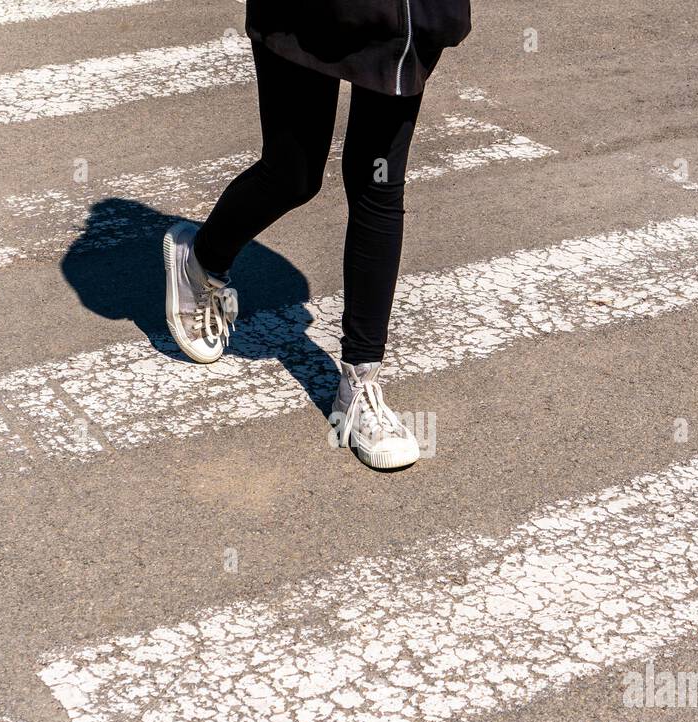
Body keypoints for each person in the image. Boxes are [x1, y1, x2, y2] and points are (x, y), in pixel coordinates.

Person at [163, 1, 473, 469]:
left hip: (405, 18)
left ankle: (359, 382)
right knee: (293, 175)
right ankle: (201, 257)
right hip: (309, 12)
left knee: (378, 184)